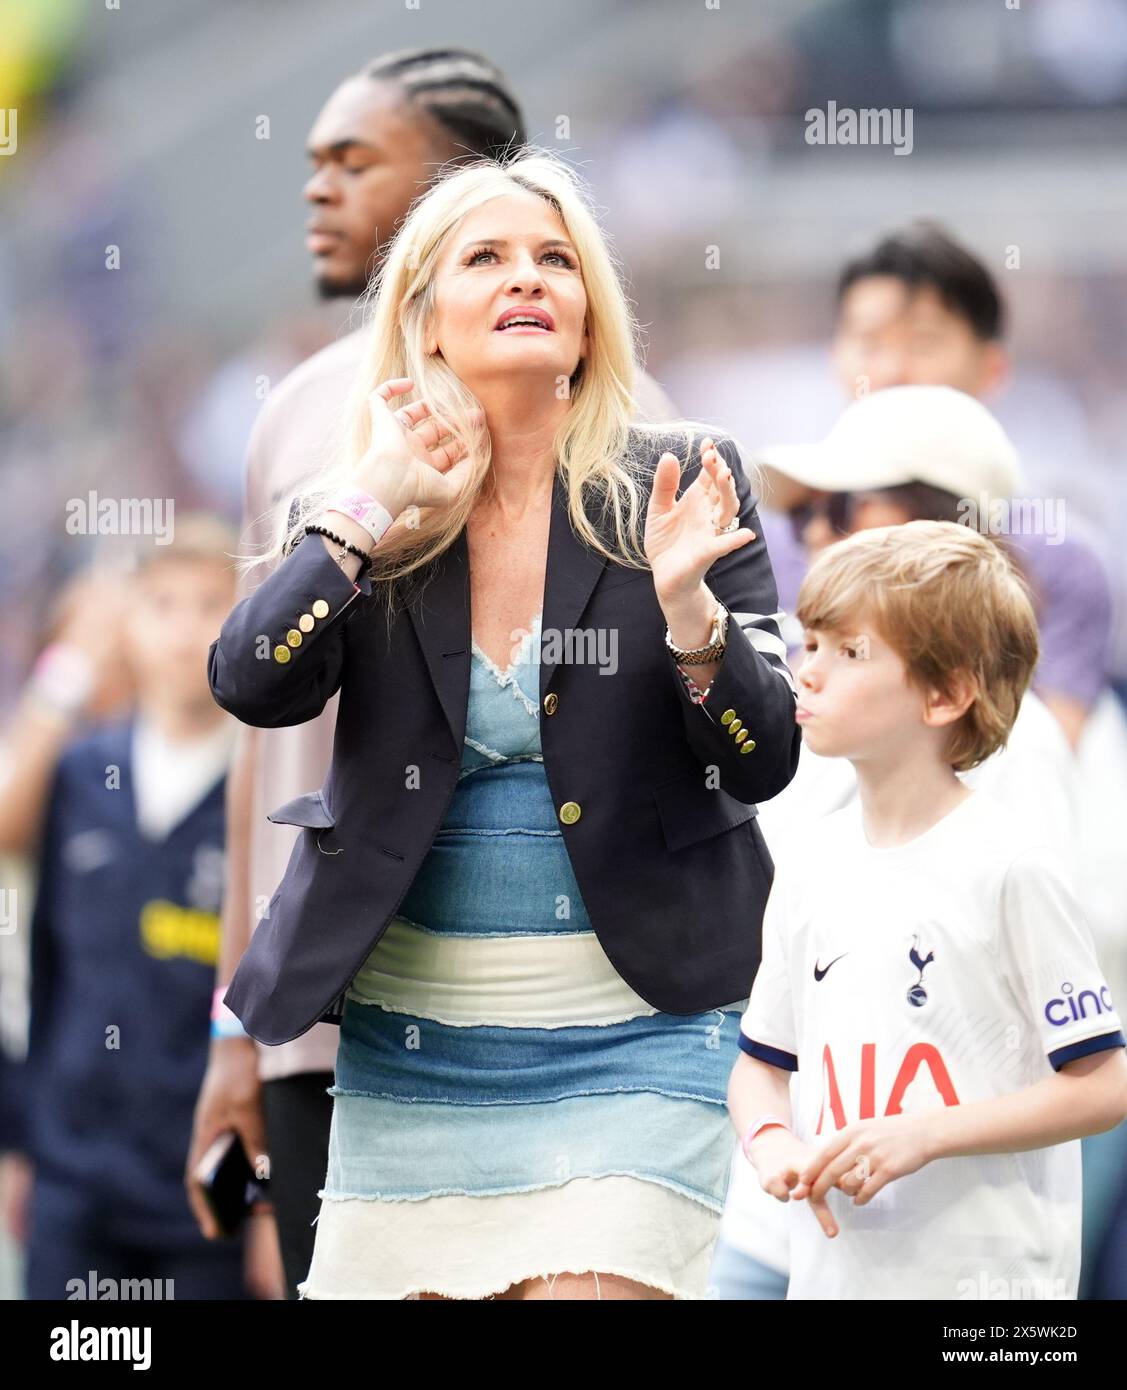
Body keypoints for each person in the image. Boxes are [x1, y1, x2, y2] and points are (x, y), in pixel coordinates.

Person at [207, 146, 800, 1301]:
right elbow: (250, 681)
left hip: (641, 1040)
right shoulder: (360, 497)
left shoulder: (682, 477)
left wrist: (690, 617)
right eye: (487, 258)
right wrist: (364, 515)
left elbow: (763, 754)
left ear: (588, 317)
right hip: (415, 1055)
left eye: (555, 260)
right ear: (426, 318)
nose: (528, 278)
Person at [708, 385, 1082, 1299]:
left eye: (840, 507)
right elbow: (767, 1054)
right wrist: (771, 1149)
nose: (811, 534)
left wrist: (921, 1134)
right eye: (800, 516)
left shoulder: (1016, 773)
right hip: (793, 1242)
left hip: (982, 1282)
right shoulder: (817, 798)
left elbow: (1079, 1061)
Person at [758, 222, 1114, 751]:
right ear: (836, 355)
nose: (893, 369)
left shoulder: (1055, 562)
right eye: (869, 341)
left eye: (924, 342)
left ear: (991, 368)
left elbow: (1041, 759)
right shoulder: (780, 543)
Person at [15, 516, 254, 1300]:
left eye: (208, 604)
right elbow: (44, 971)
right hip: (74, 1181)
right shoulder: (82, 774)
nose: (185, 631)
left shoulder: (267, 791)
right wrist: (20, 1143)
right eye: (161, 604)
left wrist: (265, 1200)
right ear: (127, 622)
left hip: (206, 1195)